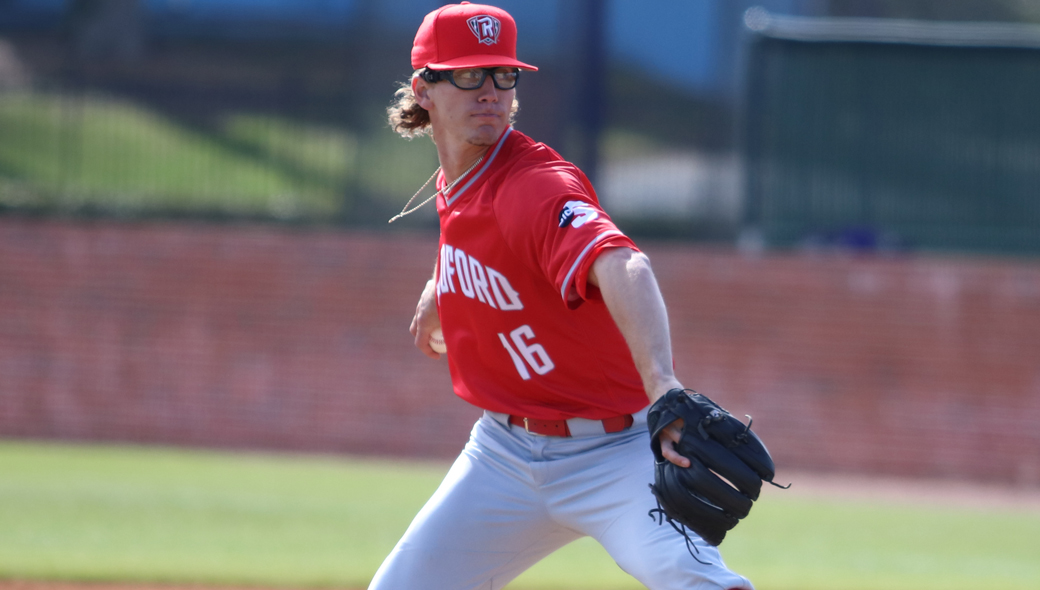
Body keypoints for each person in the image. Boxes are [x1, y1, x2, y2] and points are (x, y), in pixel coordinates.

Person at [370, 3, 754, 589]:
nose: (490, 91)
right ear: (425, 88)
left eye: (504, 74)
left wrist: (663, 386)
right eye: (469, 75)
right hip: (500, 455)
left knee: (694, 580)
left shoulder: (535, 185)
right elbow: (482, 231)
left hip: (613, 454)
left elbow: (625, 263)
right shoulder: (462, 174)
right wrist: (440, 284)